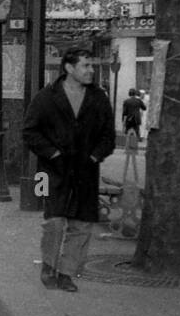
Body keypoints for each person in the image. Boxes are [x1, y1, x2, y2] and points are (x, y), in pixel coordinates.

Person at [22, 46, 115, 292]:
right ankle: (49, 265)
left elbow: (108, 136)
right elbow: (30, 131)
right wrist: (52, 153)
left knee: (82, 225)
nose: (91, 70)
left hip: (86, 170)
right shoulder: (46, 97)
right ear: (69, 68)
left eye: (91, 65)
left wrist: (95, 156)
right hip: (52, 171)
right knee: (53, 221)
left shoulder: (99, 98)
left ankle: (66, 273)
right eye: (85, 65)